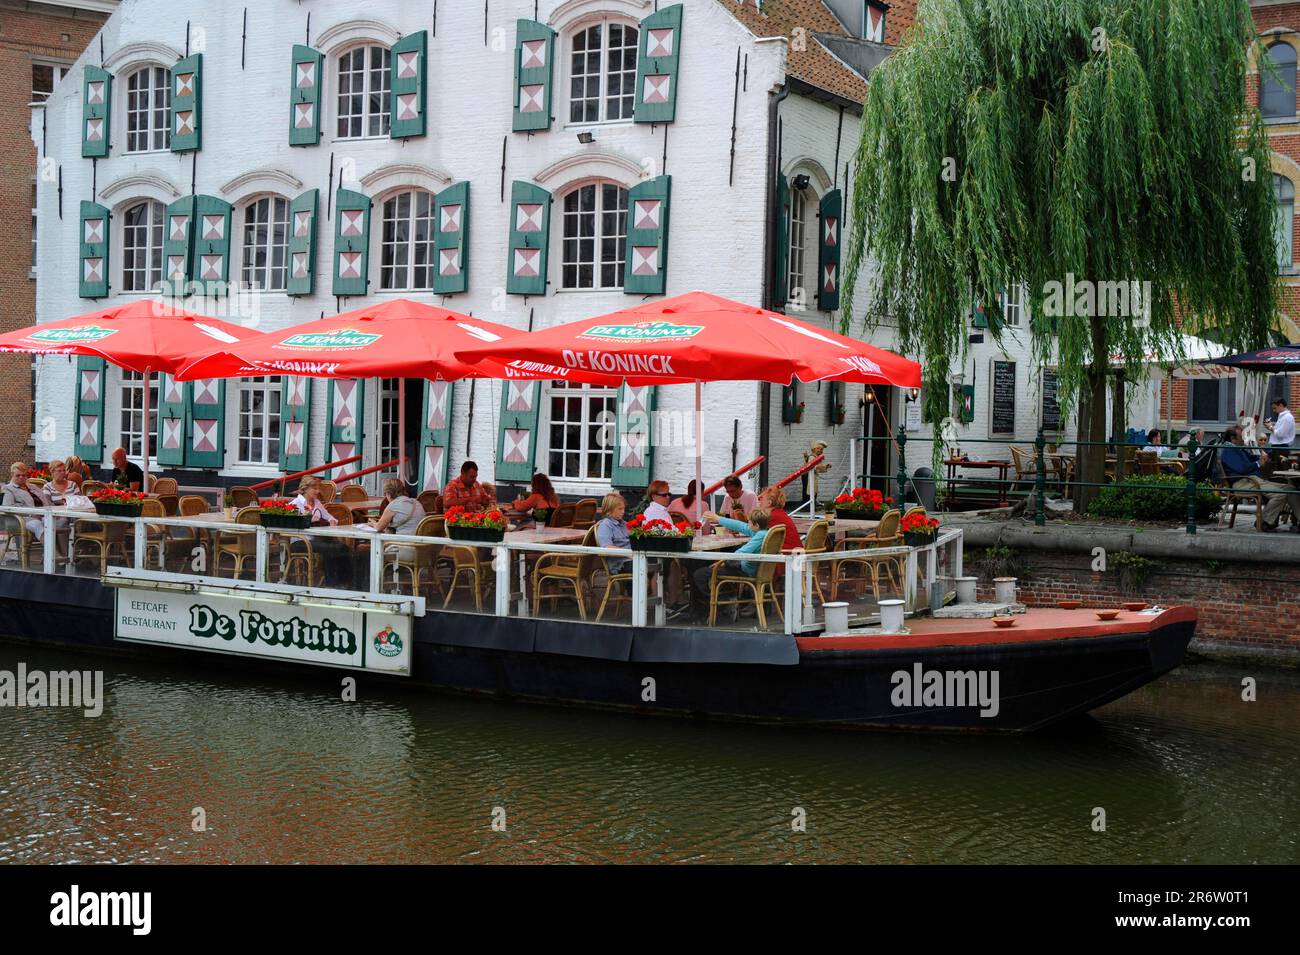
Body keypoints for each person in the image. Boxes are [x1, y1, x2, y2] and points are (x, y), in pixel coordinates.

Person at [689, 509, 771, 623]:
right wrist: (718, 519)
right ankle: (727, 599)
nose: (747, 525)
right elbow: (741, 526)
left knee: (700, 574)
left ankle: (723, 603)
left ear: (756, 525)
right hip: (750, 569)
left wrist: (721, 561)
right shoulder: (764, 532)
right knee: (710, 570)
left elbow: (741, 552)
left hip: (745, 570)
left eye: (750, 522)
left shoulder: (760, 535)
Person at [1220, 426, 1289, 531]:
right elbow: (1242, 468)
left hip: (1252, 480)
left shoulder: (1238, 449)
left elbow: (1252, 458)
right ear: (1233, 439)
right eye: (1242, 436)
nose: (1245, 438)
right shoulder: (1228, 450)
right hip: (1243, 483)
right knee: (1280, 494)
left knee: (1291, 488)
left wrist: (1265, 456)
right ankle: (1263, 523)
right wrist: (1258, 463)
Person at [2, 462, 66, 560]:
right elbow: (8, 508)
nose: (21, 478)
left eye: (23, 475)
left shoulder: (33, 487)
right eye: (17, 475)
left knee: (62, 521)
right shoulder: (9, 489)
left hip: (43, 515)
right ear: (12, 475)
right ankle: (54, 555)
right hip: (23, 519)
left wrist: (55, 513)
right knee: (38, 525)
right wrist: (31, 513)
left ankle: (65, 555)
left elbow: (46, 503)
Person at [369, 478, 428, 561]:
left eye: (385, 494)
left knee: (367, 550)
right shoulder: (416, 502)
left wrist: (372, 524)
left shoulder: (393, 505)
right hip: (424, 550)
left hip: (404, 550)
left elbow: (379, 527)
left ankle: (377, 573)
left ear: (389, 494)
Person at [594, 492, 631, 574]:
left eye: (624, 509)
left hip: (632, 559)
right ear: (610, 509)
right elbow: (607, 547)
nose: (623, 512)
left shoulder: (623, 523)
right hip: (620, 564)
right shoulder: (605, 525)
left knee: (656, 564)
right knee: (645, 567)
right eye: (620, 509)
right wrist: (629, 554)